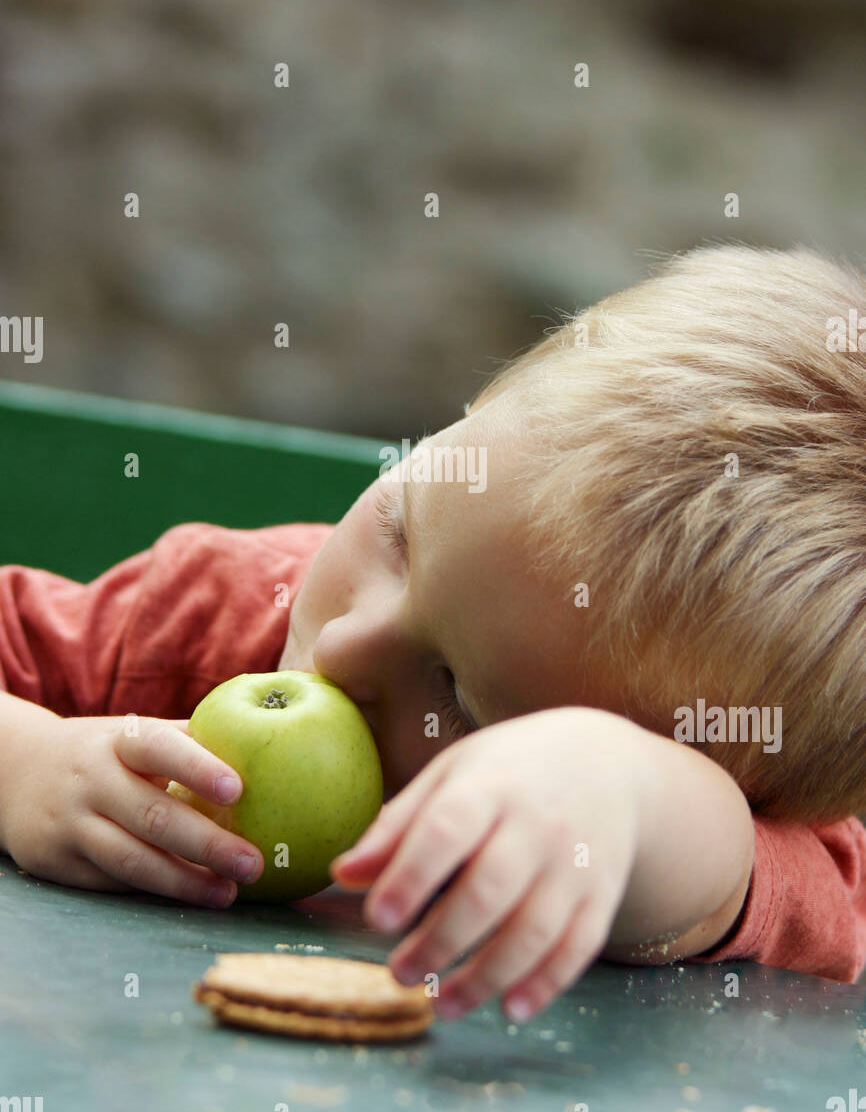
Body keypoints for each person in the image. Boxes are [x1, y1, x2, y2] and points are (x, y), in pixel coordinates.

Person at [1, 243, 865, 1025]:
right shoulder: (208, 609)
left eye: (456, 694)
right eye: (400, 533)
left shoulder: (762, 845)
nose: (343, 645)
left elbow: (712, 865)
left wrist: (619, 792)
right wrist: (25, 763)